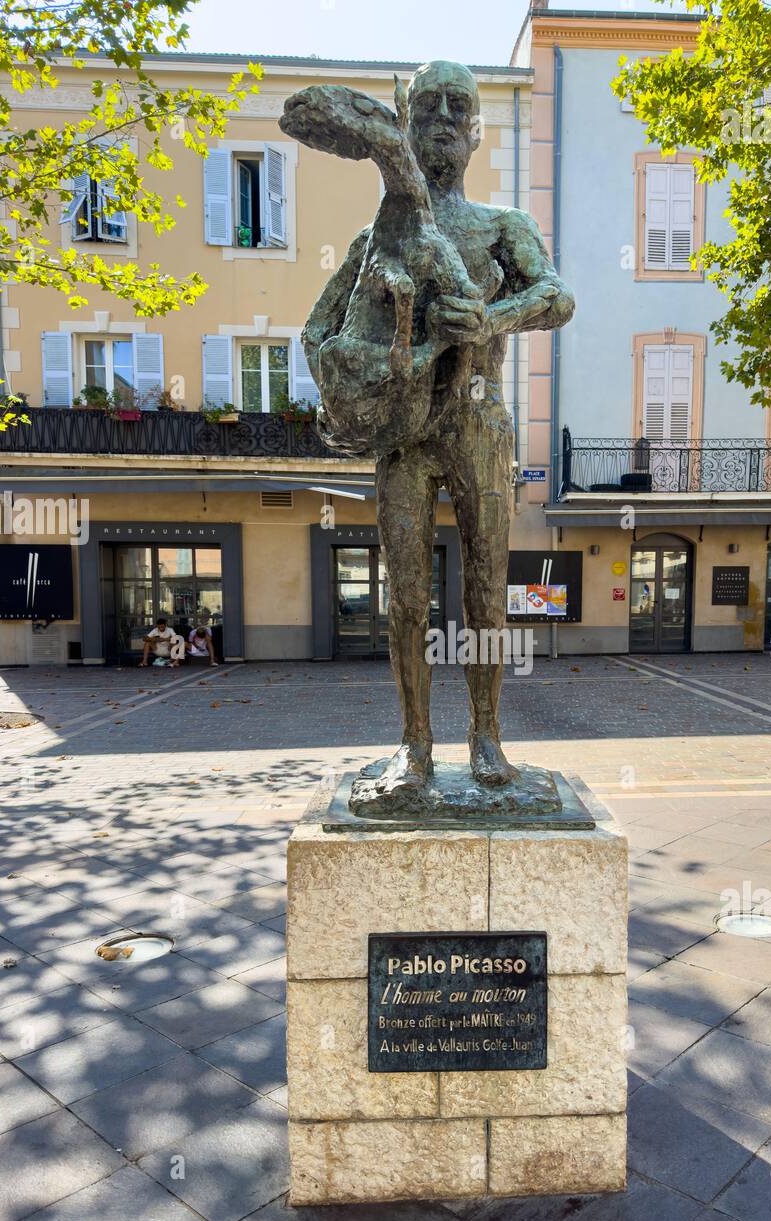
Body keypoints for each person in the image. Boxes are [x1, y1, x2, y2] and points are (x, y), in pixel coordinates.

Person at [302, 60, 574, 793]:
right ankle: (414, 747)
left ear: (478, 131)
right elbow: (315, 331)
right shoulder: (377, 237)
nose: (444, 120)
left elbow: (555, 295)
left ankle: (486, 737)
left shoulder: (501, 226)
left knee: (487, 588)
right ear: (404, 117)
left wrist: (493, 315)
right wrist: (347, 384)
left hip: (479, 425)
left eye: (459, 106)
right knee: (405, 592)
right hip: (402, 432)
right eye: (428, 106)